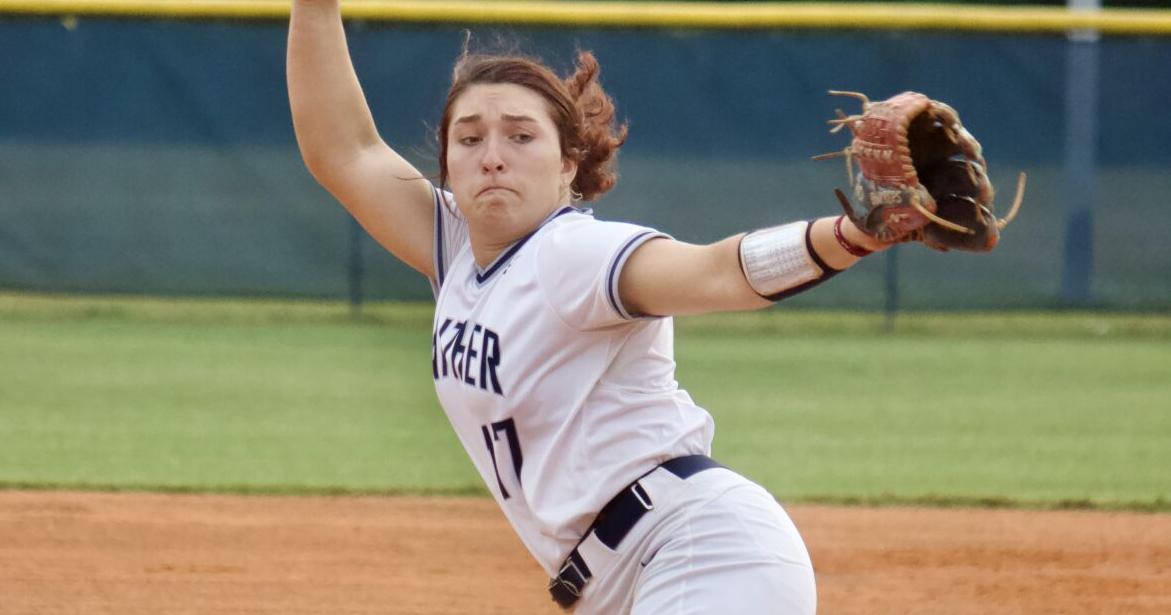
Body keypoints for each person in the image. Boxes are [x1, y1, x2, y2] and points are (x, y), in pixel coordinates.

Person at [287, 2, 889, 612]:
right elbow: (345, 151)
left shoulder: (572, 253)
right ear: (448, 165)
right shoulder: (457, 251)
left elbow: (716, 271)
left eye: (521, 136)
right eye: (469, 139)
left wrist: (854, 234)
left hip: (701, 552)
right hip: (618, 582)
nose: (492, 155)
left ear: (568, 164)